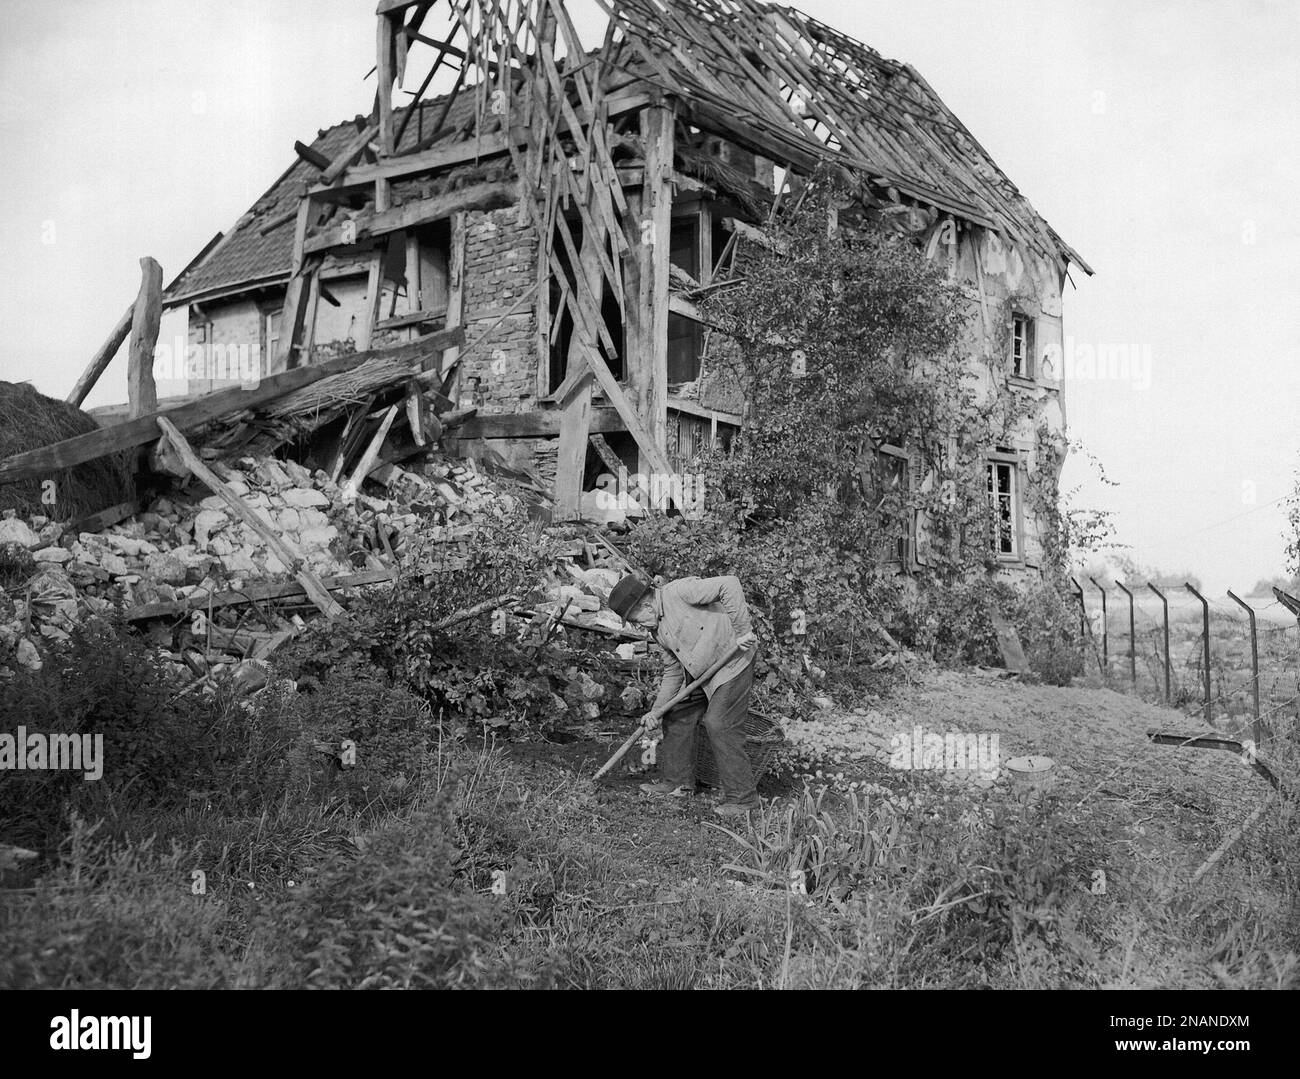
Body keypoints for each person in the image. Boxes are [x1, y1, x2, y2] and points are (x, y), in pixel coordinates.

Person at [606, 572, 760, 817]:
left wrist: (743, 631)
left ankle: (744, 799)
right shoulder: (657, 630)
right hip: (703, 674)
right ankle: (677, 783)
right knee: (676, 713)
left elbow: (728, 584)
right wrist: (657, 710)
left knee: (719, 723)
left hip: (733, 663)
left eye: (635, 620)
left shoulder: (679, 592)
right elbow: (673, 672)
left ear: (646, 605)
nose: (638, 626)